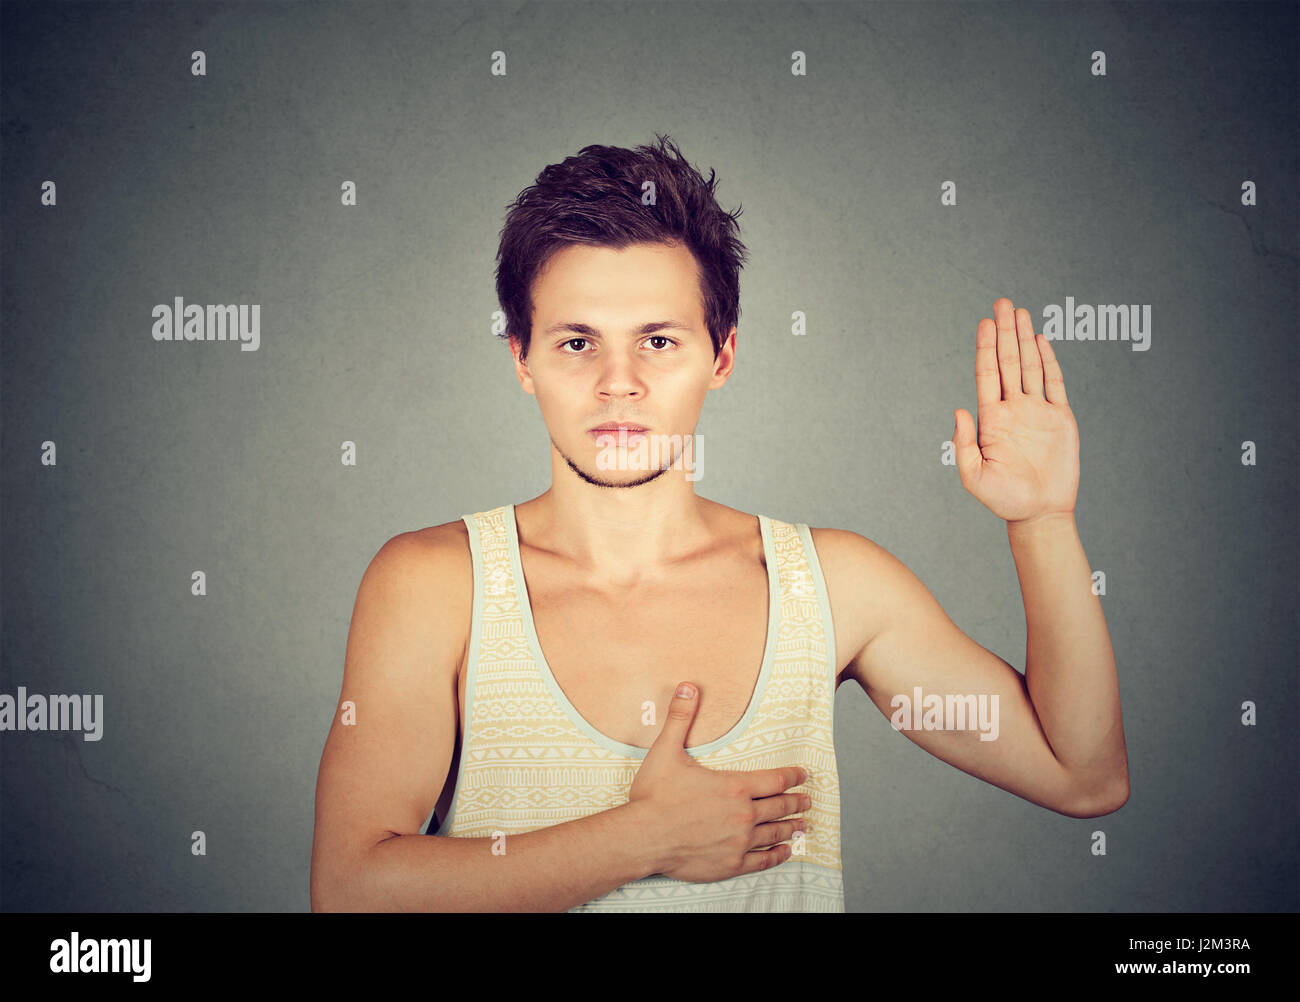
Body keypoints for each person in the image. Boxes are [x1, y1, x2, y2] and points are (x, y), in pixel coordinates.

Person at [309, 134, 1129, 913]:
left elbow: (1081, 776)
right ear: (521, 357)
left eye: (659, 340)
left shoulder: (834, 586)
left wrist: (1043, 522)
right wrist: (643, 839)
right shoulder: (434, 584)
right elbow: (347, 892)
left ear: (722, 356)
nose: (618, 382)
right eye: (576, 343)